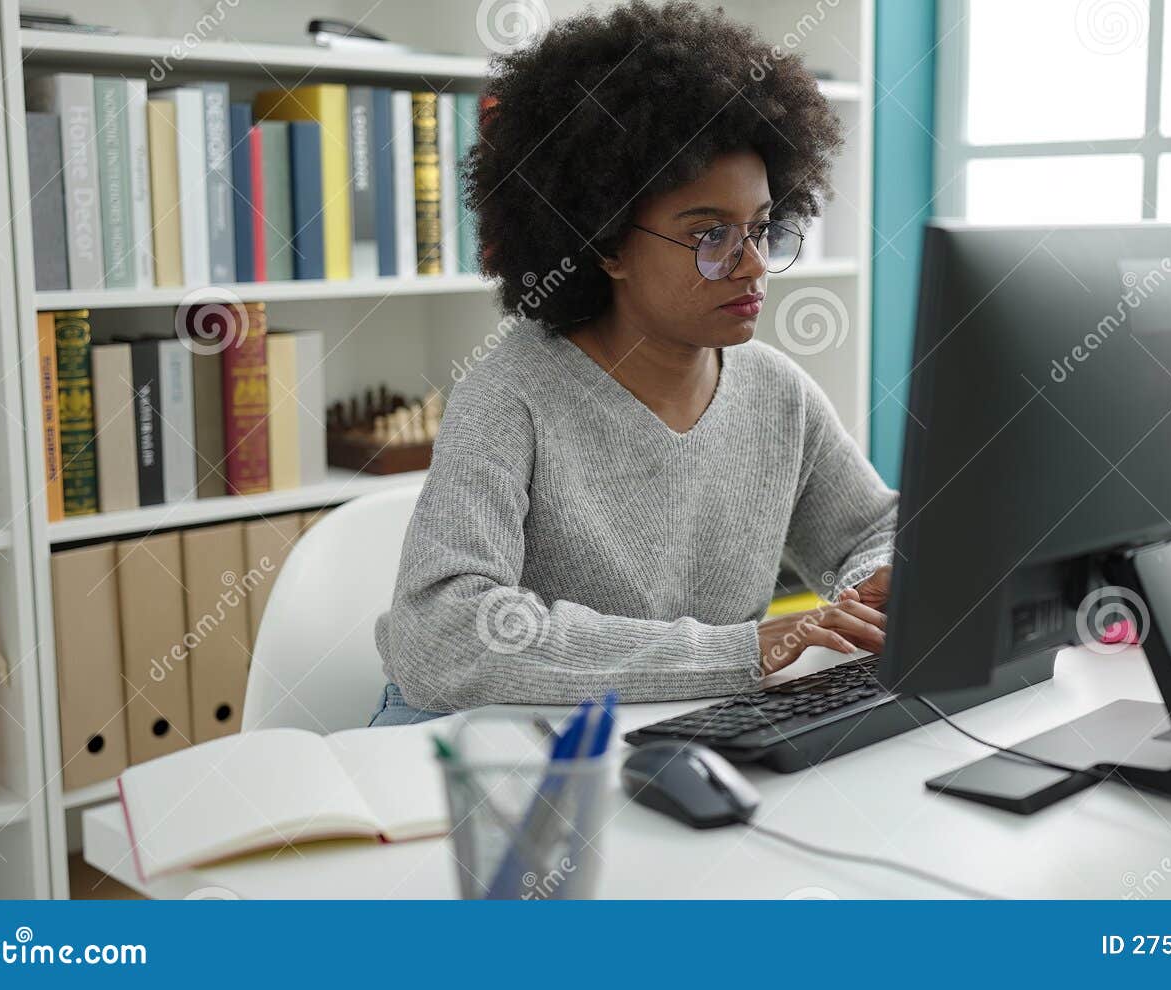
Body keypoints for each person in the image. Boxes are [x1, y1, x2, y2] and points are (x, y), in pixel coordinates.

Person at [371, 0, 896, 724]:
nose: (752, 267)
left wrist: (872, 588)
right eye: (710, 236)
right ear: (605, 243)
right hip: (484, 748)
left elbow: (874, 531)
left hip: (674, 730)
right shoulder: (512, 394)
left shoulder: (778, 393)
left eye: (762, 229)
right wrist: (743, 652)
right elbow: (444, 636)